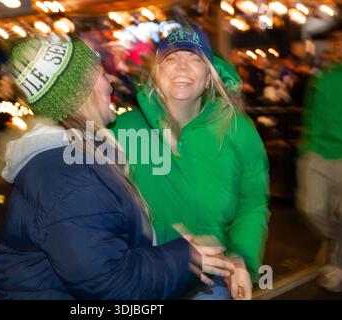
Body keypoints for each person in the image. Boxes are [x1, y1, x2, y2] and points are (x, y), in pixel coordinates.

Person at [0, 34, 234, 299]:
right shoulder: (70, 176)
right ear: (83, 92)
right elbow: (112, 284)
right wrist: (185, 258)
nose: (111, 81)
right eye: (103, 75)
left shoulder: (84, 151)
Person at [110, 26, 270, 300]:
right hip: (142, 276)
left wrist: (241, 257)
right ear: (156, 75)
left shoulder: (238, 131)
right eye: (171, 59)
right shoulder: (121, 131)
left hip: (211, 278)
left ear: (210, 76)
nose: (182, 66)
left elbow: (252, 202)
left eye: (195, 59)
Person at [296, 32, 342, 292]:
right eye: (338, 42)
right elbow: (312, 114)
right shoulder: (323, 79)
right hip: (318, 153)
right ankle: (333, 240)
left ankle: (337, 262)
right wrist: (306, 150)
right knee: (313, 209)